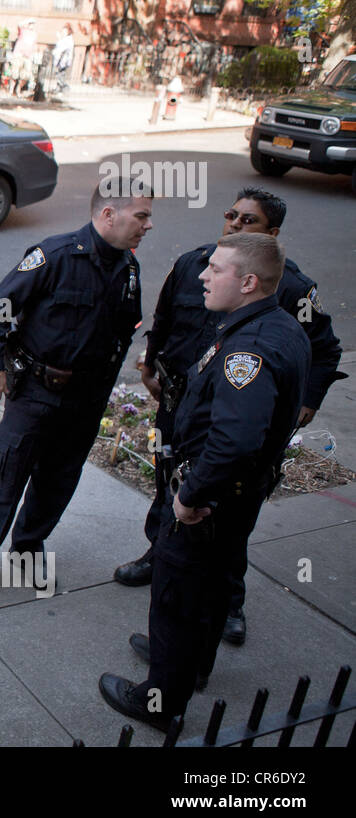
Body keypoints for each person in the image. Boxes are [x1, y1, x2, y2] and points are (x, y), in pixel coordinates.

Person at [113, 187, 344, 646]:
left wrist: (305, 402)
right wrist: (150, 362)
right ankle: (159, 555)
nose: (236, 224)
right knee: (168, 488)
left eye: (249, 221)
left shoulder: (289, 288)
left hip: (233, 420)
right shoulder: (196, 264)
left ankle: (227, 602)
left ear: (272, 234)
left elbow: (324, 348)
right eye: (231, 215)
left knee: (224, 518)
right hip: (179, 407)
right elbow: (162, 320)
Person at [99, 233, 310, 730]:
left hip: (210, 498)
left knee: (177, 593)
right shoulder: (274, 326)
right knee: (211, 587)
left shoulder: (249, 350)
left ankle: (160, 701)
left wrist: (190, 497)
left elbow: (235, 440)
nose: (202, 277)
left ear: (249, 282)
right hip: (239, 494)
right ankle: (189, 665)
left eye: (216, 270)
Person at [0, 178, 152, 605]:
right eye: (141, 215)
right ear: (108, 214)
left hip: (85, 400)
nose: (147, 225)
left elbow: (124, 329)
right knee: (7, 477)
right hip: (37, 393)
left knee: (59, 480)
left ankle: (27, 547)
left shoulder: (128, 268)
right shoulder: (55, 255)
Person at [52, 25, 74, 93]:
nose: (63, 32)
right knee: (59, 74)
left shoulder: (68, 40)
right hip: (61, 60)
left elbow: (61, 48)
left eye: (65, 31)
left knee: (60, 74)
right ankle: (58, 88)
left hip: (63, 60)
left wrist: (59, 38)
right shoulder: (65, 39)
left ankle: (64, 88)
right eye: (63, 31)